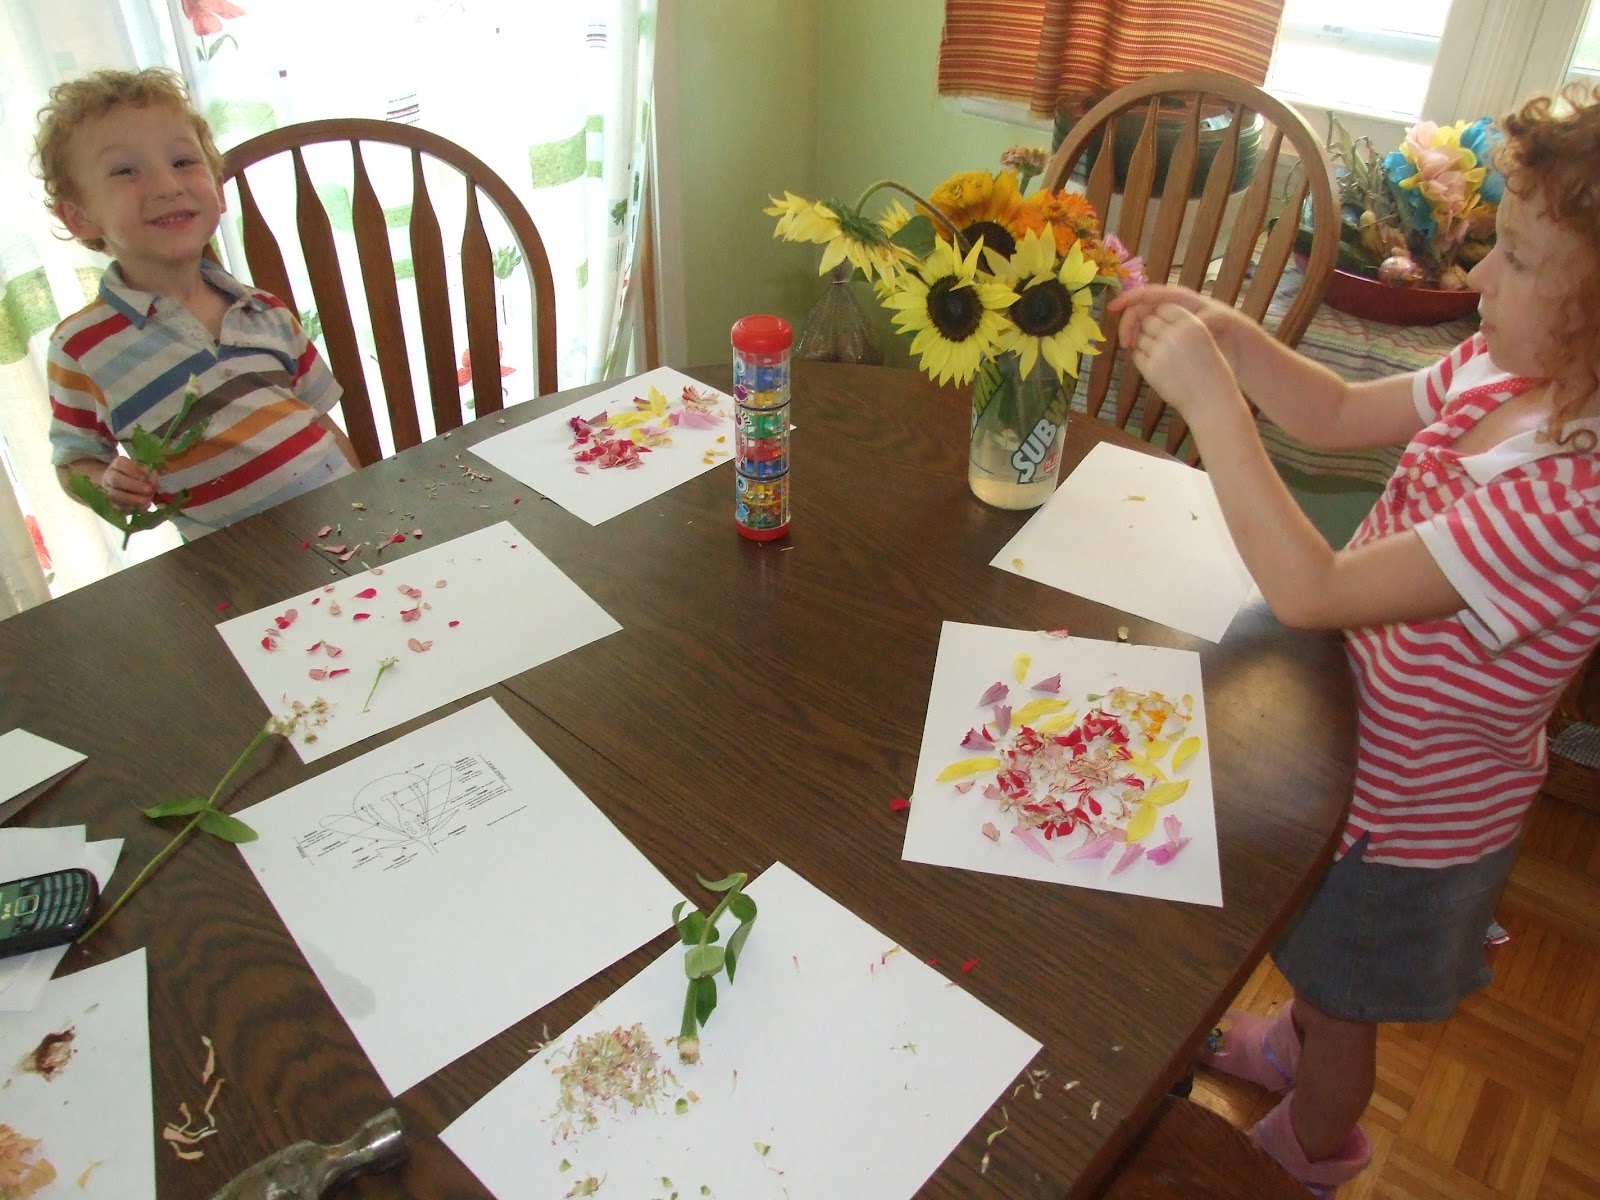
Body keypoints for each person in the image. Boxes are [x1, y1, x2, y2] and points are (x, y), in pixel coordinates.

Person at [1109, 83, 1600, 1196]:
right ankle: (1287, 1045)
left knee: (1346, 997)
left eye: (1516, 259)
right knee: (1314, 958)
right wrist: (1232, 343)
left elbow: (1312, 587)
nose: (1475, 276)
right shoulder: (1504, 371)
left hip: (1417, 819)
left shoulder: (1574, 497)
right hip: (1354, 749)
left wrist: (1211, 410)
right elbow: (1331, 411)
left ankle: (1311, 1150)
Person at [35, 67, 359, 541]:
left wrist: (373, 499)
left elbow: (323, 424)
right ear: (79, 216)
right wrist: (106, 482)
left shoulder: (265, 311)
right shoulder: (81, 348)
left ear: (218, 188)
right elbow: (74, 460)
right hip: (240, 569)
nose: (167, 186)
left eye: (184, 162)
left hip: (350, 523)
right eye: (126, 170)